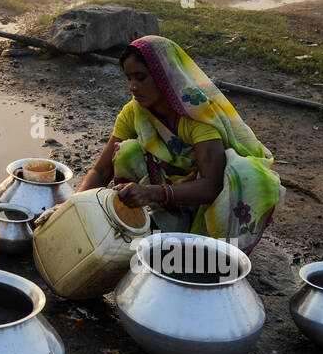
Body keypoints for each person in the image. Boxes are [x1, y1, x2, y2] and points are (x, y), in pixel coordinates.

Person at [76, 35, 283, 253]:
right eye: (128, 78)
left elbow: (212, 185)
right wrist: (72, 207)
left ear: (164, 76)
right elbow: (101, 170)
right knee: (127, 152)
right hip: (169, 193)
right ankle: (158, 224)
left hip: (205, 198)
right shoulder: (134, 112)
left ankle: (213, 249)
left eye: (140, 77)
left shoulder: (197, 114)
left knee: (244, 175)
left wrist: (153, 192)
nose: (133, 87)